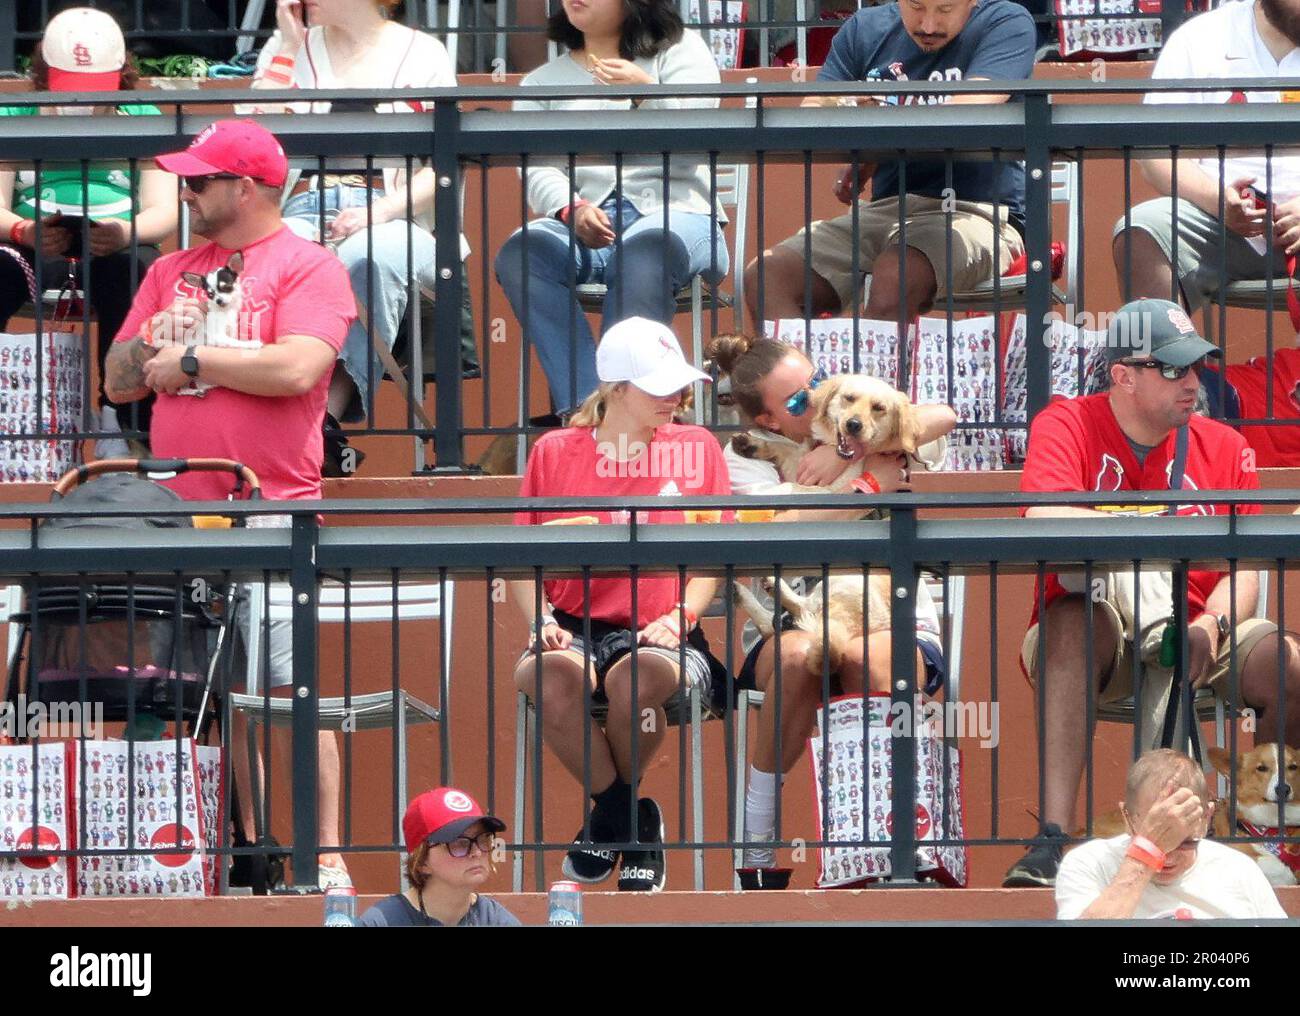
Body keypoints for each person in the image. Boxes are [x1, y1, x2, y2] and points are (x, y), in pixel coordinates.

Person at [102, 119, 358, 889]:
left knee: (290, 691)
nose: (186, 188)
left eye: (200, 179)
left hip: (273, 510)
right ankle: (246, 850)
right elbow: (117, 382)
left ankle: (326, 858)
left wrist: (189, 357)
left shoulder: (309, 267)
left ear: (245, 187)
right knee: (202, 693)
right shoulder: (171, 267)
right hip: (174, 514)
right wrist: (149, 339)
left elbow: (297, 368)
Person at [1007, 298, 1300, 888]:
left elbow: (1243, 570)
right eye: (1173, 370)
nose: (1193, 382)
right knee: (1072, 620)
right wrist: (1148, 535)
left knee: (1289, 664)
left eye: (1196, 366)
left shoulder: (1224, 444)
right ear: (1123, 375)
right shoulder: (1066, 422)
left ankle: (1276, 843)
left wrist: (1209, 627)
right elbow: (1043, 515)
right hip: (1100, 626)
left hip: (1204, 626)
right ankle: (1052, 839)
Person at [709, 333, 956, 888]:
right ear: (768, 424)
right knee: (803, 656)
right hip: (790, 621)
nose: (822, 402)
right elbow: (790, 533)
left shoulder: (868, 417)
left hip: (892, 613)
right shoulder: (741, 462)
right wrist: (871, 483)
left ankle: (882, 854)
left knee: (869, 662)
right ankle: (757, 845)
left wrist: (860, 448)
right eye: (799, 402)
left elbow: (944, 415)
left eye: (821, 385)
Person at [511, 316, 731, 892]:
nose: (678, 397)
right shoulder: (555, 452)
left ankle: (609, 822)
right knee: (549, 678)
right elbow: (519, 558)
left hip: (668, 629)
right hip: (571, 626)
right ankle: (632, 821)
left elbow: (715, 553)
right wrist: (539, 622)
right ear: (615, 389)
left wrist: (679, 618)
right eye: (660, 386)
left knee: (636, 683)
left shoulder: (697, 446)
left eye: (680, 385)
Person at [242, 0, 459, 467]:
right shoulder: (288, 46)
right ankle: (267, 414)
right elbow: (248, 144)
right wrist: (283, 48)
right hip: (299, 205)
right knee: (271, 259)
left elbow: (441, 166)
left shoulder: (424, 54)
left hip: (393, 213)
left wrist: (379, 212)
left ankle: (322, 417)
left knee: (368, 254)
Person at [493, 0, 728, 418]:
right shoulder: (540, 83)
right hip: (588, 228)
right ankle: (589, 408)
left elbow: (698, 141)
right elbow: (537, 168)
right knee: (522, 253)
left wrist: (647, 95)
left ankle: (624, 405)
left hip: (680, 218)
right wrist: (571, 208)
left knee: (643, 252)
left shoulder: (679, 51)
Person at [743, 0, 1035, 328]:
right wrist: (866, 133)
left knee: (895, 275)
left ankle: (872, 379)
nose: (928, 25)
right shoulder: (864, 28)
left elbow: (969, 111)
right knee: (766, 276)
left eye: (945, 9)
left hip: (978, 211)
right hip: (885, 212)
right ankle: (808, 379)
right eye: (916, 7)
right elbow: (814, 110)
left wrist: (870, 121)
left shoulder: (1005, 21)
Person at [0, 7, 178, 455]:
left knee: (138, 274)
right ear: (44, 75)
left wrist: (124, 232)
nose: (81, 102)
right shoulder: (15, 115)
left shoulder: (144, 119)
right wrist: (23, 230)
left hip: (116, 243)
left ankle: (124, 421)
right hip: (32, 247)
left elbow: (164, 209)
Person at [1112, 0, 1300, 310]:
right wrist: (1220, 203)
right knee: (1143, 229)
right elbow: (1154, 152)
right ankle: (1155, 358)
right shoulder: (1203, 36)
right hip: (1222, 230)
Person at [1056, 749, 1288, 919]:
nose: (1167, 856)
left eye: (1185, 841)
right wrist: (1144, 856)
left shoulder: (1240, 869)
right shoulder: (1089, 863)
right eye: (1154, 836)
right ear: (1126, 817)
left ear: (1207, 817)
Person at [358, 786, 521, 927]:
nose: (477, 852)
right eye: (459, 843)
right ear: (421, 861)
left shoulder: (497, 921)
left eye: (483, 839)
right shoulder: (383, 922)